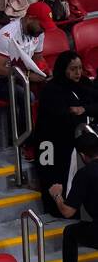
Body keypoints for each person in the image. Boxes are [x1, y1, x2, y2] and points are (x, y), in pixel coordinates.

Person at [35, 53, 98, 215]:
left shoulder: (84, 84)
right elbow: (59, 115)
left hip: (77, 139)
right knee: (51, 175)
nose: (78, 73)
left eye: (80, 68)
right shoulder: (51, 90)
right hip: (50, 142)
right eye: (73, 69)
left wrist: (84, 109)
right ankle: (58, 208)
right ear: (63, 70)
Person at [0, 1, 52, 147]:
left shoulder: (38, 32)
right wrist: (28, 76)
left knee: (51, 88)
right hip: (0, 81)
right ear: (30, 18)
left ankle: (45, 133)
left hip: (22, 76)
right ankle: (26, 140)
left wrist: (46, 72)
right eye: (41, 25)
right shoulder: (7, 34)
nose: (43, 30)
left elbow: (38, 57)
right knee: (27, 96)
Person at [48, 134, 98, 262]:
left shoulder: (85, 174)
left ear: (83, 155)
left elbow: (68, 212)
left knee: (70, 232)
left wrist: (57, 196)